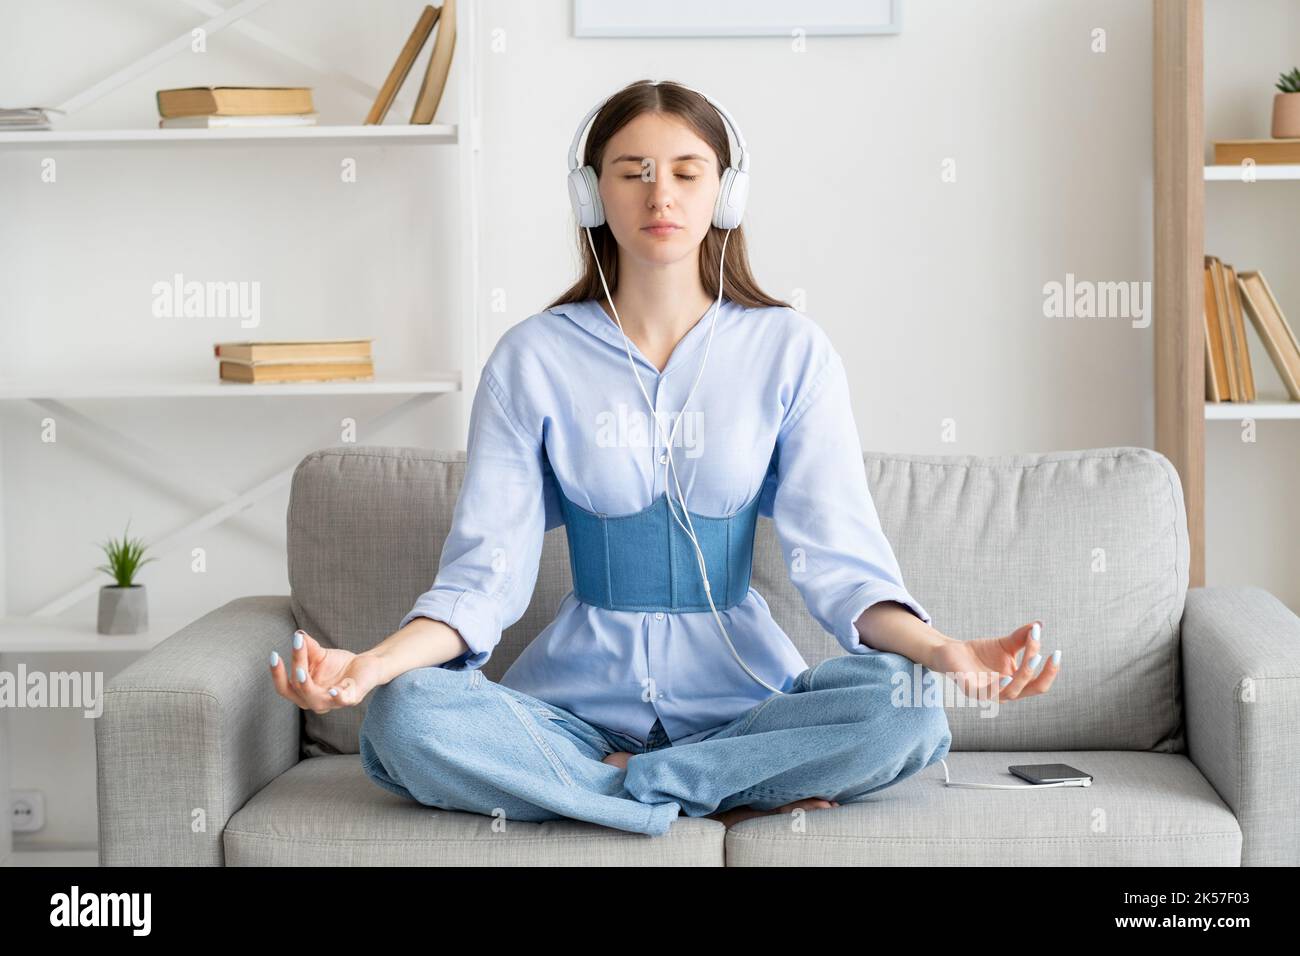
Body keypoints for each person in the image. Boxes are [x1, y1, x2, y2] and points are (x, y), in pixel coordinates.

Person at [269, 80, 1062, 837]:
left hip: (749, 707)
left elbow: (845, 565)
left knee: (909, 707)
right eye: (633, 173)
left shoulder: (791, 350)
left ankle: (625, 792)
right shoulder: (533, 357)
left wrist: (942, 649)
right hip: (572, 717)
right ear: (592, 193)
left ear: (727, 191)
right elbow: (482, 580)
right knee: (407, 715)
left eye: (687, 172)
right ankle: (710, 791)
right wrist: (372, 665)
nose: (661, 197)